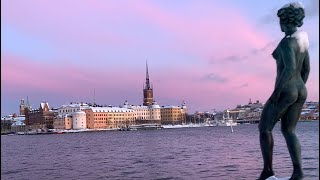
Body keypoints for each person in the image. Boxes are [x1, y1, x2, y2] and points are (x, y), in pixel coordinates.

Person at [258, 2, 310, 180]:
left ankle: (268, 171)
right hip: (301, 90)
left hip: (287, 89)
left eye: (280, 21)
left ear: (285, 22)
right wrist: (298, 87)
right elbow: (306, 69)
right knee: (289, 131)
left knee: (264, 128)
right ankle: (298, 172)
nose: (279, 24)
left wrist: (277, 92)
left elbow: (289, 68)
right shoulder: (302, 42)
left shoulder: (287, 42)